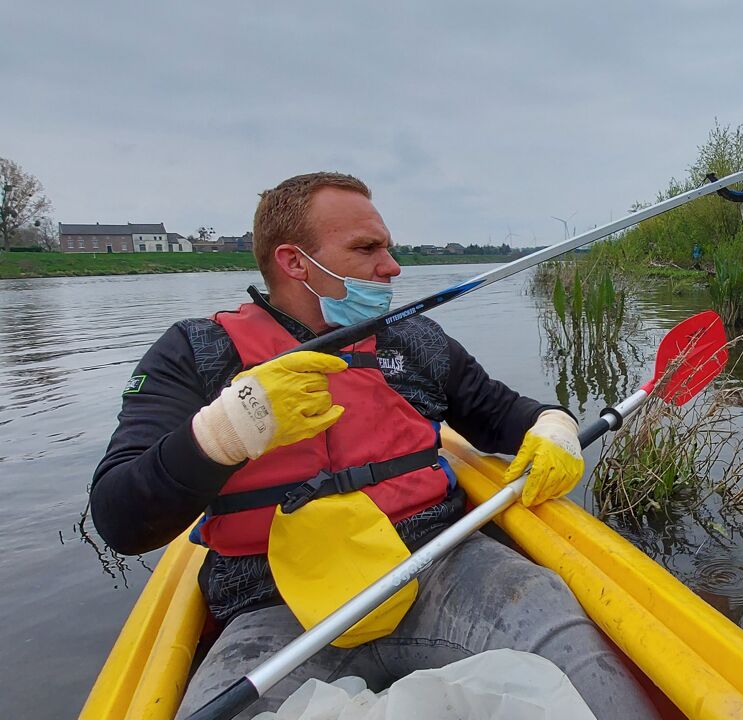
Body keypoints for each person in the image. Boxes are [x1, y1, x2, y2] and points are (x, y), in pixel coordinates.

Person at [90, 172, 659, 718]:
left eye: (387, 247)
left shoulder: (413, 339)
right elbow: (121, 517)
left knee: (561, 640)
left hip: (437, 563)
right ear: (294, 262)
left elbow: (504, 414)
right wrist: (230, 429)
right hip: (272, 604)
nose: (392, 266)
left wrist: (555, 427)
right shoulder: (197, 353)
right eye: (367, 249)